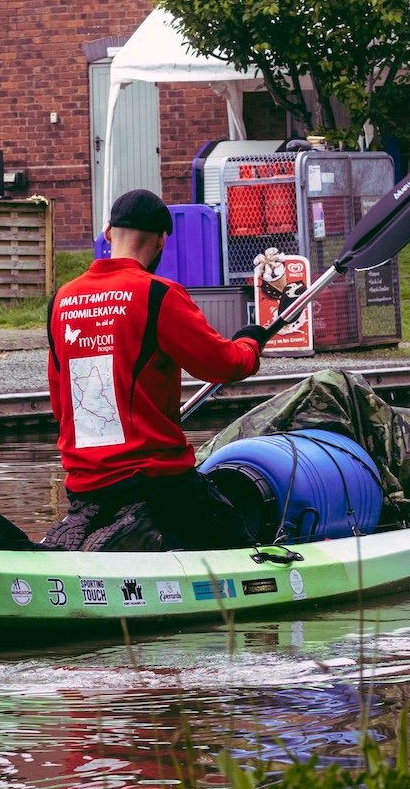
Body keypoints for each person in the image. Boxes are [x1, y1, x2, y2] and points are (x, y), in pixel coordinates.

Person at [44, 188, 269, 551]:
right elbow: (223, 364)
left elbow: (60, 400)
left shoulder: (62, 300)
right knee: (238, 542)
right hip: (156, 479)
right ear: (162, 240)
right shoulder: (157, 294)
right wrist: (250, 342)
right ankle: (141, 531)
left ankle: (105, 535)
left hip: (84, 479)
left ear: (107, 232)